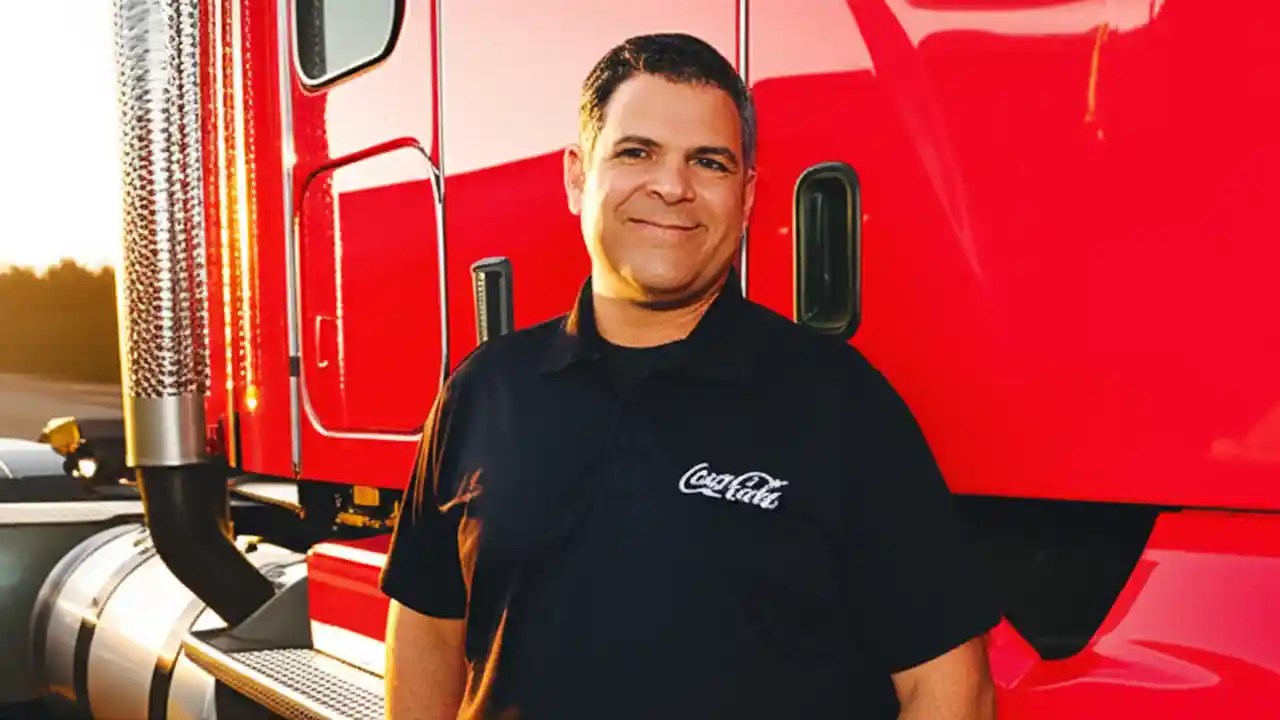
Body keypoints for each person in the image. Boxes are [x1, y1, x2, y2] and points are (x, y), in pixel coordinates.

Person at [381, 32, 1000, 720]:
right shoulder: (481, 392)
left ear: (747, 195)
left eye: (708, 162)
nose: (672, 187)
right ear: (577, 175)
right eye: (636, 152)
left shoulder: (841, 403)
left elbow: (949, 686)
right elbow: (429, 637)